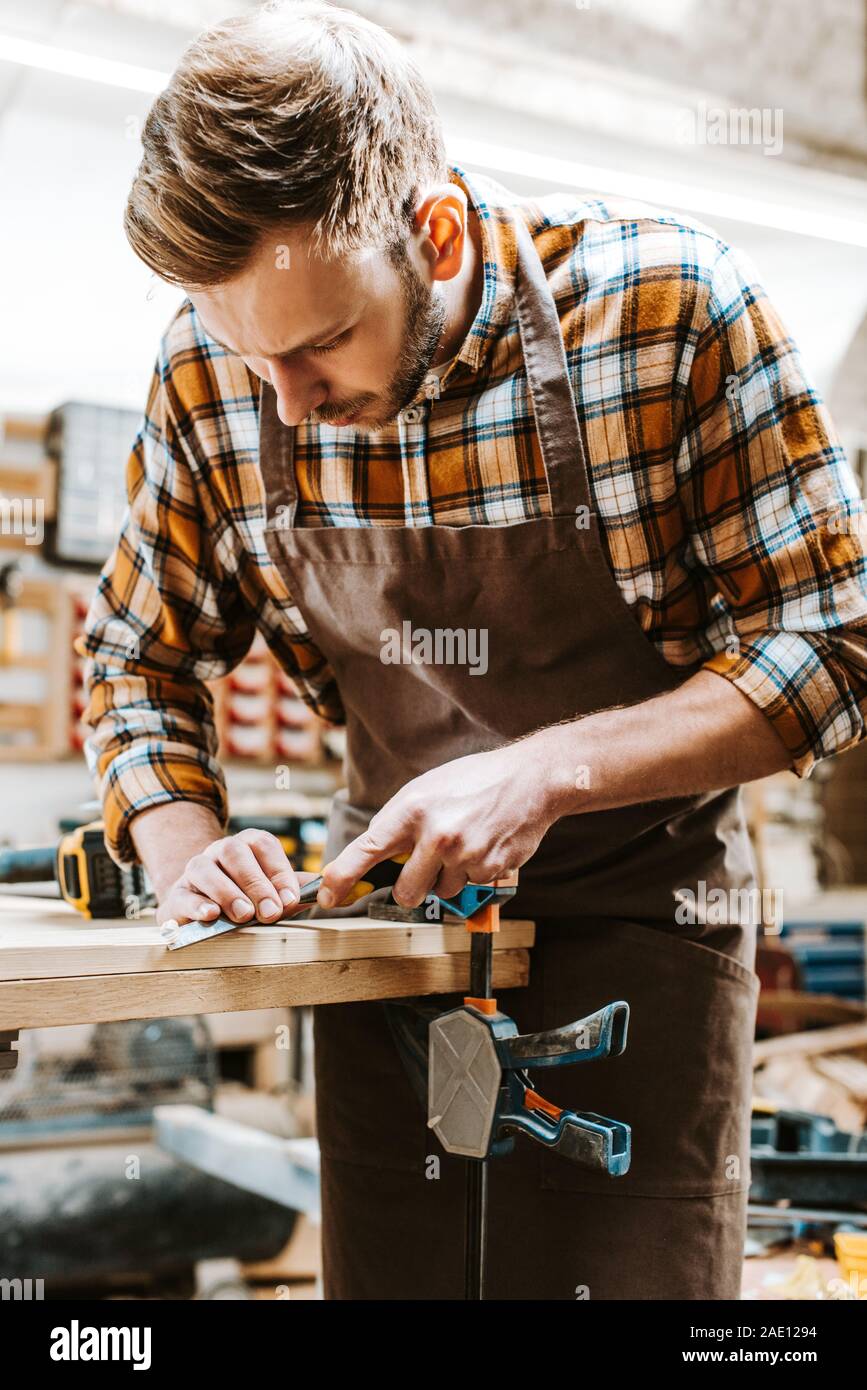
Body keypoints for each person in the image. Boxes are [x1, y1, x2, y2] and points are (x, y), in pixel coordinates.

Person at [81, 1, 867, 1299]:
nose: (287, 398)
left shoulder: (668, 314)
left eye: (323, 341)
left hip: (646, 926)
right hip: (389, 939)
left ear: (433, 232)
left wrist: (544, 771)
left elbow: (835, 639)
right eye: (245, 350)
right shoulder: (215, 377)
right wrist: (181, 847)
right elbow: (134, 654)